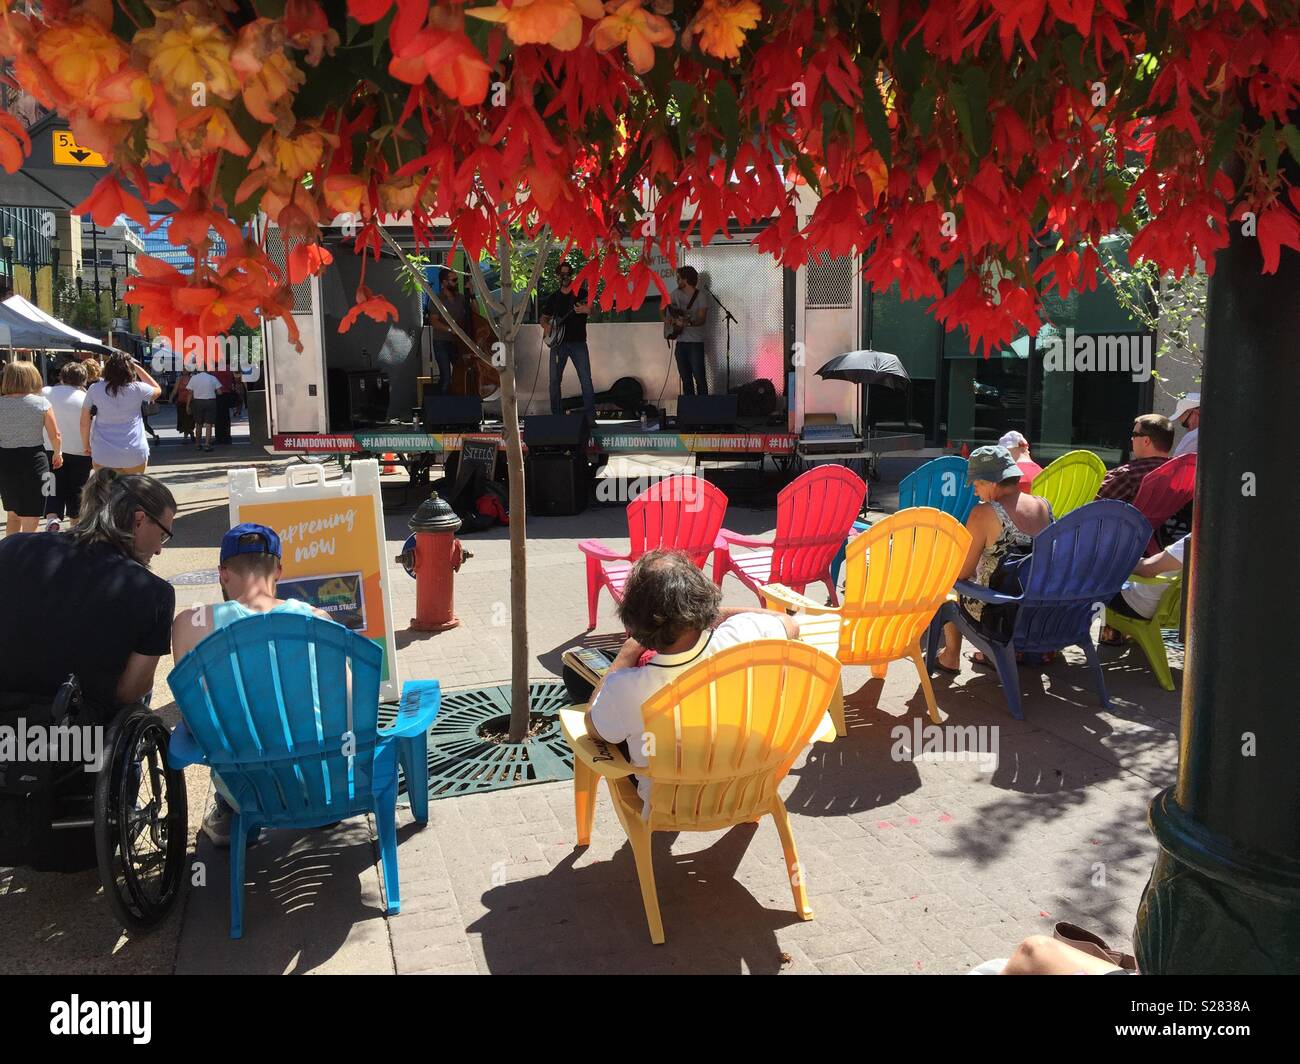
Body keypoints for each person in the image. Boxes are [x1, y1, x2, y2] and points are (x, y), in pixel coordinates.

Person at [585, 550, 801, 815]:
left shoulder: (626, 688)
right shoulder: (743, 635)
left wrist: (627, 654)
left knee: (580, 680)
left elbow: (594, 729)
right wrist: (707, 614)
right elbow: (788, 623)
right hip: (744, 785)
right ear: (701, 601)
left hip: (669, 801)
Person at [171, 523, 335, 846]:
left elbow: (193, 723)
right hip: (325, 784)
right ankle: (318, 812)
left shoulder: (189, 626)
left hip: (246, 790)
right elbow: (345, 708)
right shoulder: (319, 619)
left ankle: (230, 818)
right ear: (280, 571)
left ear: (223, 574)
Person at [0, 469, 176, 709]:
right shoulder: (154, 592)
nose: (159, 549)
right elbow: (129, 692)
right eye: (163, 536)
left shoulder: (13, 547)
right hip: (79, 732)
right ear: (139, 520)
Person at [934, 445, 1053, 672]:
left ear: (993, 482)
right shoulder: (1042, 505)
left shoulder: (984, 512)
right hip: (1040, 611)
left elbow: (962, 573)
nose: (976, 492)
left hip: (1000, 615)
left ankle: (950, 657)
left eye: (977, 485)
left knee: (948, 593)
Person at [0, 360, 62, 537]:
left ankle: (9, 554)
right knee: (32, 515)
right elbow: (55, 435)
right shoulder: (41, 403)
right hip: (34, 458)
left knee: (12, 514)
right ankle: (27, 557)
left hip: (5, 459)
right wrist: (58, 453)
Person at [1099, 533, 1188, 645]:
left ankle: (1077, 630)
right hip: (1168, 611)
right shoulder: (1213, 545)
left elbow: (1149, 569)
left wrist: (1118, 562)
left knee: (1095, 568)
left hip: (1136, 606)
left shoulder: (1193, 541)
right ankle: (1113, 636)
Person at [83, 352, 163, 473]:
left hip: (103, 453)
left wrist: (86, 445)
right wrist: (137, 367)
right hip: (133, 453)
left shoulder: (94, 389)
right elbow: (157, 389)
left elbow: (84, 421)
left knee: (107, 490)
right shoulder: (138, 388)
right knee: (133, 490)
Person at [541, 261, 596, 422]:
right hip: (558, 345)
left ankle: (591, 418)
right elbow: (543, 318)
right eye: (562, 274)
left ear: (571, 276)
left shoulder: (581, 293)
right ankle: (556, 417)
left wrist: (586, 310)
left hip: (578, 343)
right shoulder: (554, 297)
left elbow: (594, 311)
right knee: (554, 381)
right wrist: (547, 327)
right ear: (559, 276)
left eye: (568, 274)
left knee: (585, 380)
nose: (565, 277)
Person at [42, 361, 92, 532]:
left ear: (61, 377)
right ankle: (75, 527)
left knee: (51, 487)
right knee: (77, 492)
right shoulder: (87, 398)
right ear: (84, 379)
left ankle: (51, 518)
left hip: (50, 449)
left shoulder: (46, 392)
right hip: (81, 451)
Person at [1096, 413, 1173, 504]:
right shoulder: (1178, 472)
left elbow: (1089, 503)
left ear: (1146, 441)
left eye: (1135, 434)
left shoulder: (1127, 475)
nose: (1132, 439)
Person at [663, 265, 709, 396]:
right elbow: (664, 310)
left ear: (687, 279)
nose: (677, 281)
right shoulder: (674, 294)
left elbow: (702, 319)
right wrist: (668, 321)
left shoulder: (701, 296)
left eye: (679, 279)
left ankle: (704, 408)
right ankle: (691, 410)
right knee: (685, 379)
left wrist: (687, 323)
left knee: (699, 377)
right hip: (681, 342)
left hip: (695, 342)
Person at [427, 267, 467, 394]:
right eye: (453, 280)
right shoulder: (437, 299)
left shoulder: (461, 298)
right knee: (446, 377)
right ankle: (442, 406)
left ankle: (459, 402)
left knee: (461, 374)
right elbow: (434, 321)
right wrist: (451, 329)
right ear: (444, 282)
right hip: (441, 342)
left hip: (458, 343)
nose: (456, 282)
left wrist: (471, 293)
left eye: (457, 280)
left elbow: (474, 313)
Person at [186, 366, 223, 452]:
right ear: (207, 369)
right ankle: (207, 444)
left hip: (197, 402)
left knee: (198, 424)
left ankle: (197, 444)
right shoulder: (212, 378)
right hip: (210, 402)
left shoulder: (193, 378)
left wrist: (187, 406)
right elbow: (220, 392)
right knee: (209, 424)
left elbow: (190, 393)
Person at [1170, 392, 1199, 457]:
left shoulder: (1194, 436)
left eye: (1186, 424)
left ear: (1197, 411)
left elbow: (1176, 464)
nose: (1187, 430)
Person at [170, 369, 194, 440]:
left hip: (191, 402)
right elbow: (175, 391)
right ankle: (189, 434)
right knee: (183, 420)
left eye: (185, 369)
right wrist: (171, 398)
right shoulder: (179, 380)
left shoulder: (192, 379)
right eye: (183, 369)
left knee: (189, 420)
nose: (183, 370)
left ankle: (186, 436)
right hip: (181, 402)